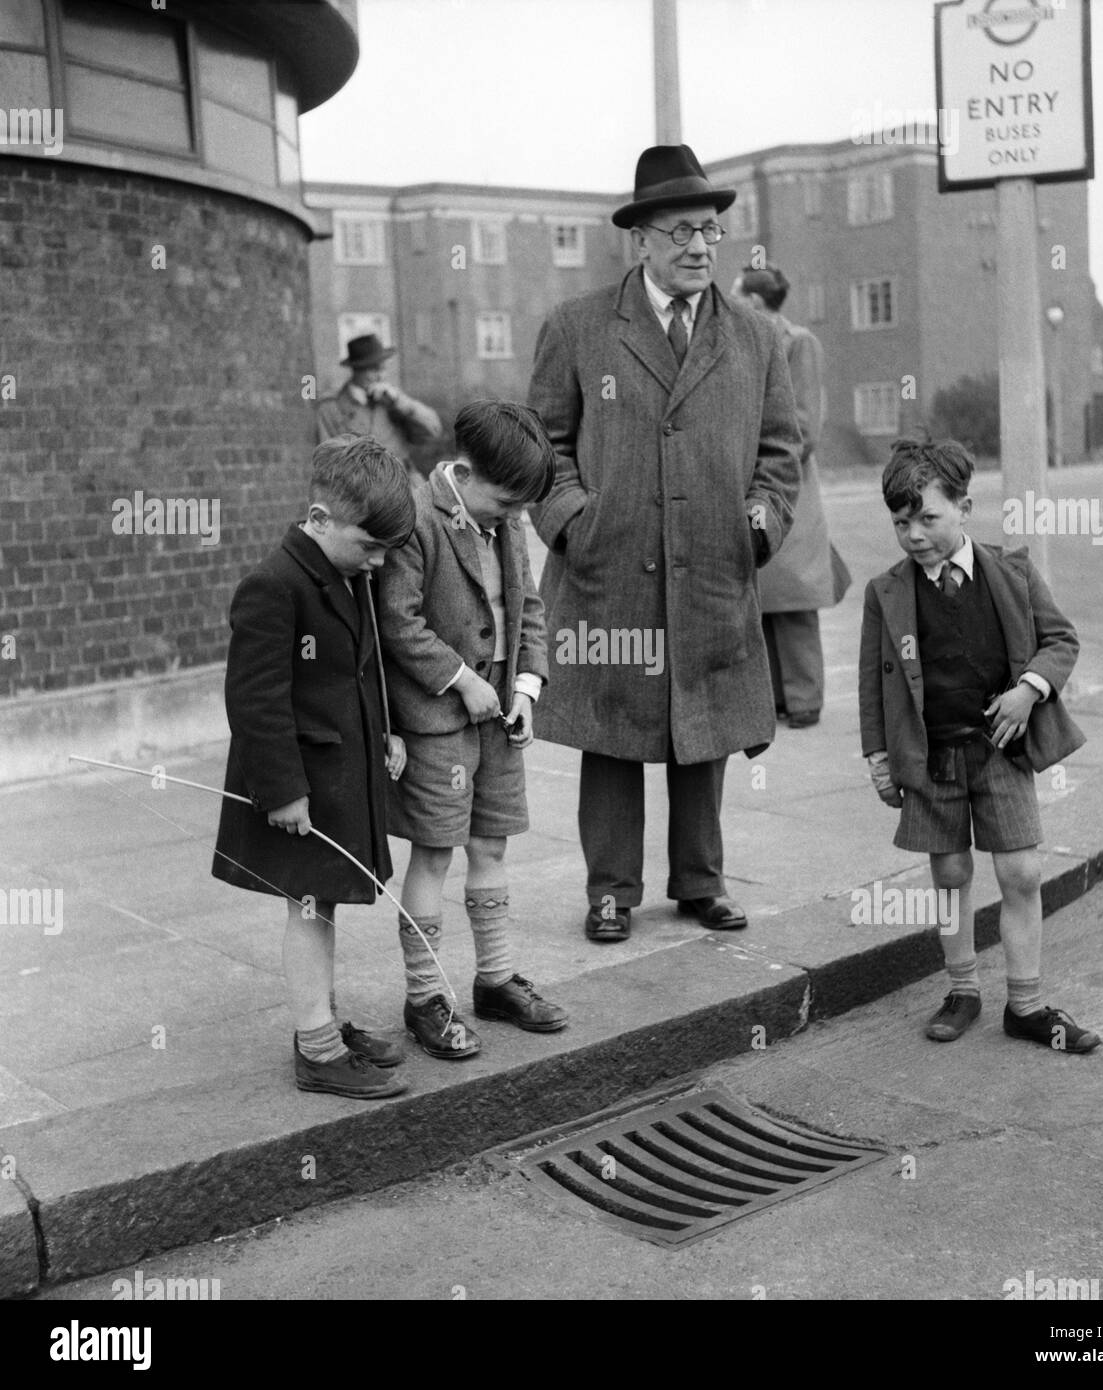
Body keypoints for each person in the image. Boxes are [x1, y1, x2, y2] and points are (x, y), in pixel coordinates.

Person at [528, 144, 802, 944]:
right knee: (611, 731)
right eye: (680, 230)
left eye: (710, 231)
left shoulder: (754, 337)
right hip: (607, 570)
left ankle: (699, 882)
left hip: (714, 562)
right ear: (640, 239)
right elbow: (542, 446)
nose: (698, 247)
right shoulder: (578, 327)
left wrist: (761, 521)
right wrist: (576, 521)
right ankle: (610, 890)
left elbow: (781, 452)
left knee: (704, 720)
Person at [858, 438, 1101, 1052]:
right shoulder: (886, 593)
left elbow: (1061, 640)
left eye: (928, 518)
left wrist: (1029, 689)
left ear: (964, 508)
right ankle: (962, 989)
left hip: (1000, 750)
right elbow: (872, 683)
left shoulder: (1013, 573)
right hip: (931, 757)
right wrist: (879, 759)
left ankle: (1027, 1004)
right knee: (949, 873)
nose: (914, 535)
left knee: (1021, 871)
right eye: (900, 522)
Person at [212, 434, 417, 1098]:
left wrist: (385, 732)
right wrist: (281, 791)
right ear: (321, 518)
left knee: (323, 903)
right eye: (369, 544)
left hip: (340, 773)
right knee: (307, 907)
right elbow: (255, 699)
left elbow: (365, 667)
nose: (379, 560)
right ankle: (317, 1051)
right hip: (297, 786)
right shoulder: (271, 586)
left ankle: (321, 1023)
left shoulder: (345, 571)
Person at [378, 399, 568, 1059]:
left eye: (522, 508)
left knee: (491, 848)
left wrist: (525, 688)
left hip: (498, 712)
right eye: (507, 501)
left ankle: (495, 978)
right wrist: (463, 680)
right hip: (438, 718)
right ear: (464, 471)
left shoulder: (508, 520)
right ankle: (426, 997)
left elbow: (531, 606)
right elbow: (399, 622)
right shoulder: (415, 518)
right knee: (433, 854)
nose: (514, 517)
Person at [731, 266, 843, 728]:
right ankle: (778, 695)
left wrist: (764, 460)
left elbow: (805, 424)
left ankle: (804, 698)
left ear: (755, 301)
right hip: (752, 481)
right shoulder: (747, 340)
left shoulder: (798, 342)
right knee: (766, 597)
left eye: (736, 294)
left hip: (786, 484)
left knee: (792, 597)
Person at [316, 333, 442, 481]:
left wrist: (398, 401)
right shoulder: (331, 408)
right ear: (357, 370)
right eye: (374, 370)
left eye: (383, 369)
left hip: (403, 486)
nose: (381, 376)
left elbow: (433, 430)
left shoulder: (393, 400)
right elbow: (326, 461)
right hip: (360, 492)